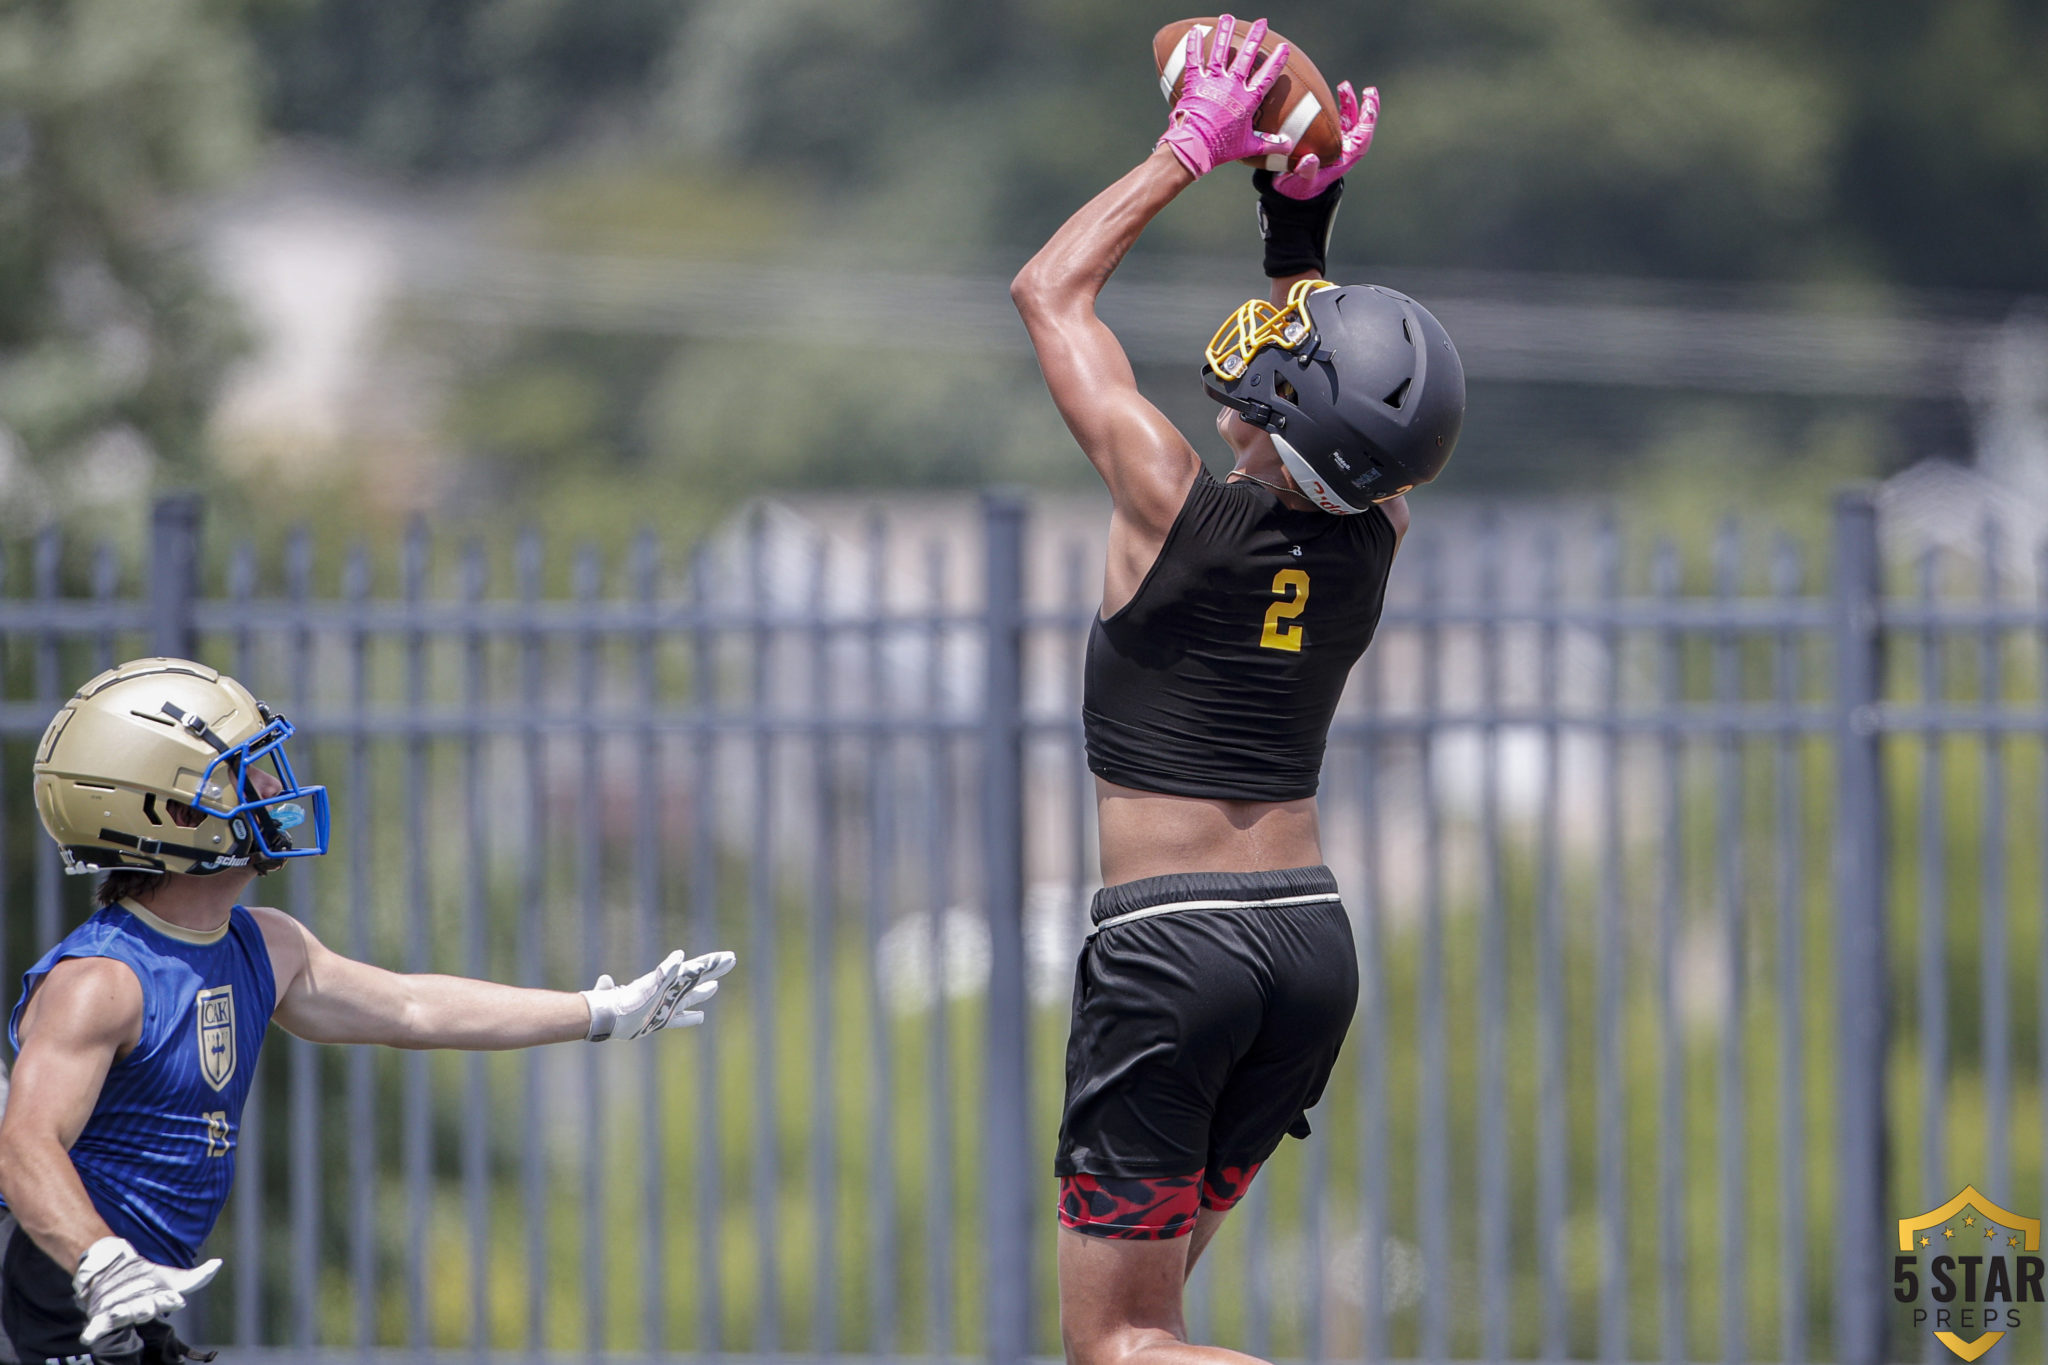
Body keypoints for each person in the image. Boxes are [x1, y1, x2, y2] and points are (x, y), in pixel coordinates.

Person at [1009, 16, 1464, 1365]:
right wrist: (1300, 205)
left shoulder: (1170, 504)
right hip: (1306, 950)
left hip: (1174, 953)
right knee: (1159, 1324)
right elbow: (1340, 400)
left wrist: (1188, 152)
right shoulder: (1378, 532)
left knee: (1121, 1346)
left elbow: (1049, 292)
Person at [0, 658, 735, 1365]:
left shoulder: (267, 944)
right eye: (239, 772)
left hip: (132, 1303)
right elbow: (24, 1144)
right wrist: (102, 1264)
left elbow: (413, 1008)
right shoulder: (102, 980)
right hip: (59, 1302)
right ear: (170, 809)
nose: (268, 786)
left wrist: (602, 1010)